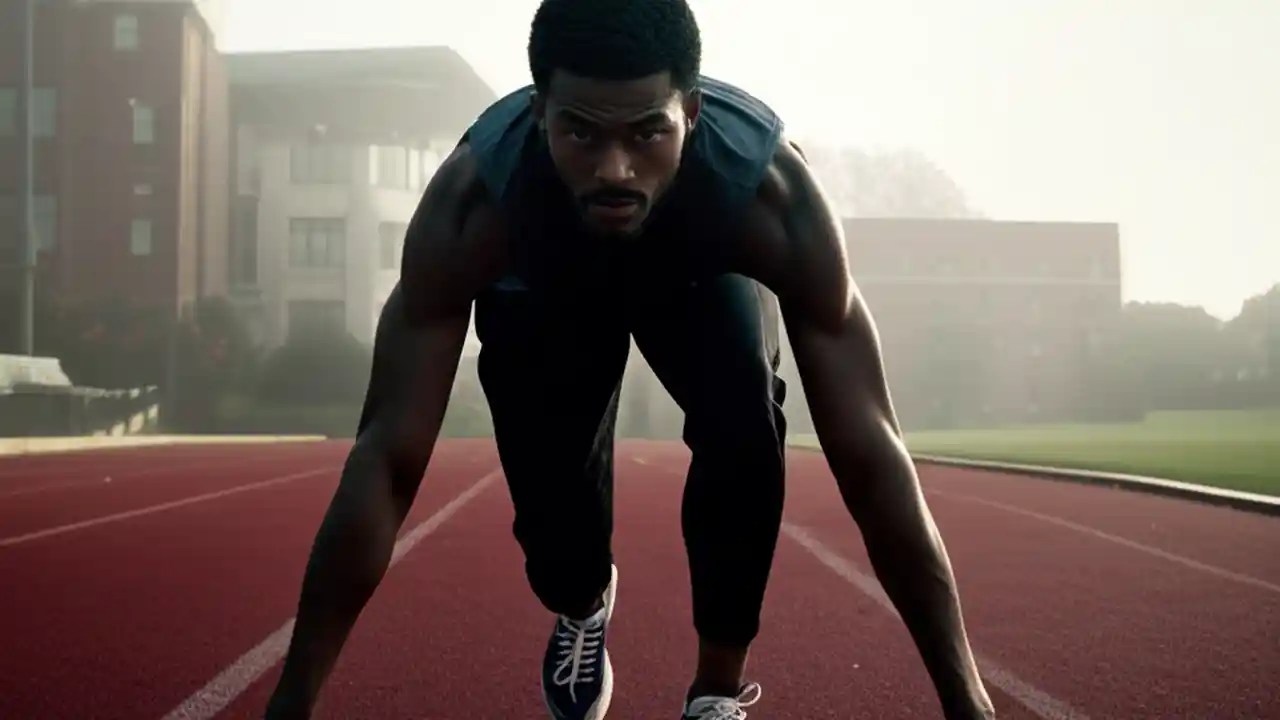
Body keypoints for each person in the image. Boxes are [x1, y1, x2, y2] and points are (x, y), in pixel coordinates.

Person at [264, 0, 995, 718]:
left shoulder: (770, 199)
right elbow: (387, 460)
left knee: (743, 407)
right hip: (545, 285)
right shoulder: (476, 204)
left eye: (648, 132)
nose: (615, 170)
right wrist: (289, 703)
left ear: (693, 114)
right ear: (539, 111)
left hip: (700, 275)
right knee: (556, 531)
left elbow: (872, 458)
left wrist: (970, 704)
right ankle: (581, 601)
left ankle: (715, 689)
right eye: (580, 133)